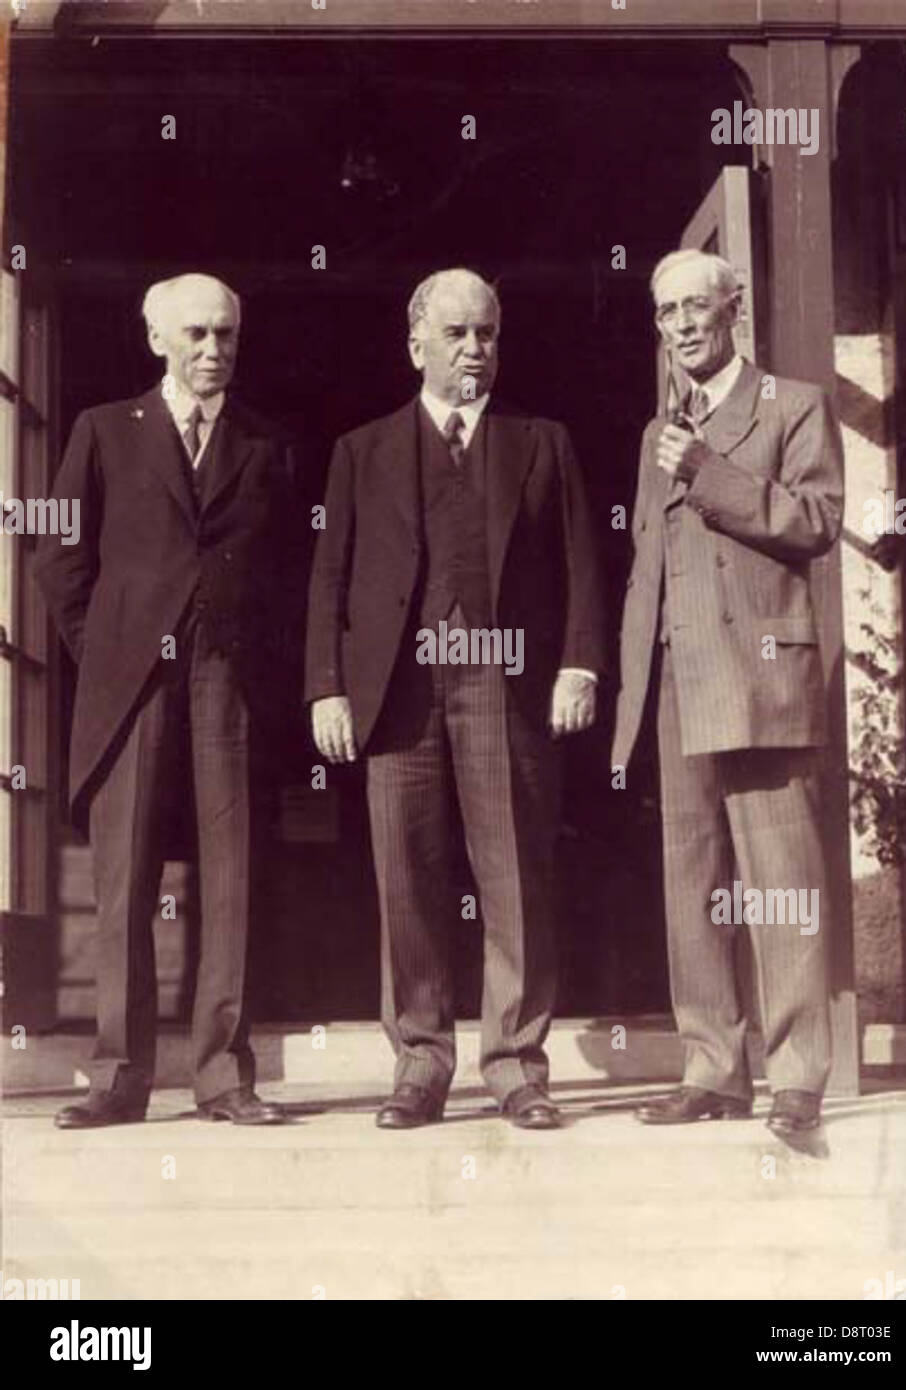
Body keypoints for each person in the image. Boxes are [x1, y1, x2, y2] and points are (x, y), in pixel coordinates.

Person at [306, 268, 604, 1130]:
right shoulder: (360, 452)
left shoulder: (540, 441)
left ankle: (515, 1066)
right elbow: (330, 578)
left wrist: (578, 666)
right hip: (395, 692)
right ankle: (420, 1066)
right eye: (456, 335)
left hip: (502, 685)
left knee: (513, 873)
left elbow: (585, 563)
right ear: (416, 346)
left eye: (486, 334)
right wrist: (327, 686)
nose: (474, 350)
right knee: (405, 877)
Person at [35, 273, 291, 1128]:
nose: (213, 350)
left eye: (225, 335)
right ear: (156, 339)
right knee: (125, 882)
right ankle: (117, 1076)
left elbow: (285, 576)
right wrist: (107, 653)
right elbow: (59, 560)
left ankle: (225, 1077)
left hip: (228, 679)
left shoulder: (265, 442)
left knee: (233, 877)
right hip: (134, 684)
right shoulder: (105, 431)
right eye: (195, 335)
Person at [611, 249, 844, 1136]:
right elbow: (647, 565)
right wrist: (630, 679)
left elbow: (817, 522)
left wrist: (709, 471)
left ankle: (795, 1079)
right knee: (691, 881)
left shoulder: (793, 405)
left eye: (694, 307)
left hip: (763, 674)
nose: (679, 325)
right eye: (665, 312)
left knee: (779, 883)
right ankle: (712, 1068)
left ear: (731, 309)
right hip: (678, 681)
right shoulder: (653, 431)